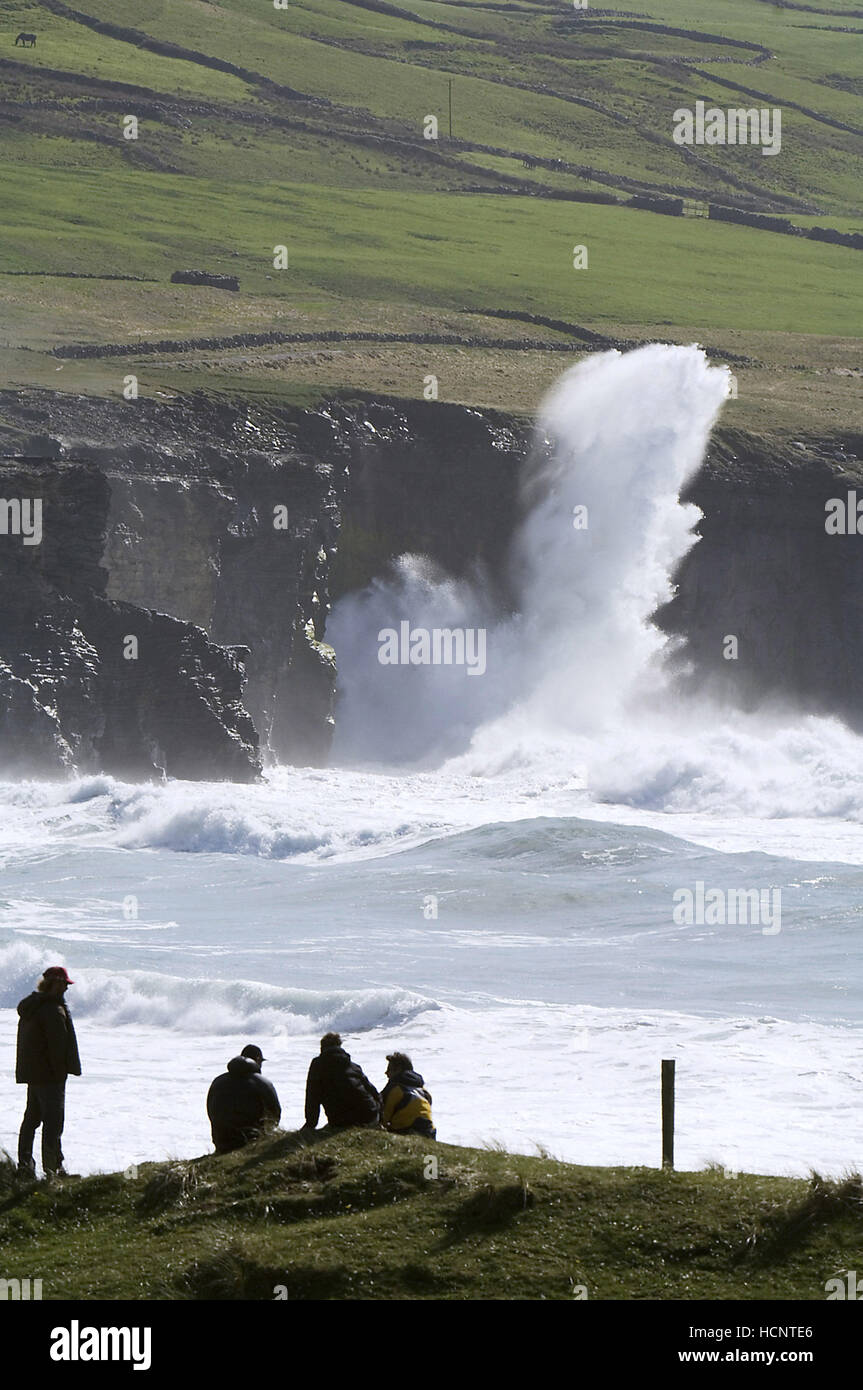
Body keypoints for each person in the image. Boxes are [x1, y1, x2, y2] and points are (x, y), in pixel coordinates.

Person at [16, 965, 82, 1180]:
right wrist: (61, 1072)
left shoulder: (33, 1006)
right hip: (50, 1076)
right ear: (55, 983)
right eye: (64, 984)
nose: (66, 989)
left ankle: (25, 1166)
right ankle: (53, 1170)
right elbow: (57, 1047)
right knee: (53, 1123)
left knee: (31, 1120)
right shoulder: (53, 1010)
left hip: (34, 1074)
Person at [206, 1044, 281, 1154]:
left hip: (222, 1142)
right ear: (258, 1060)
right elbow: (275, 1114)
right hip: (252, 1143)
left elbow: (210, 1109)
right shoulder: (263, 1083)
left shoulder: (218, 1081)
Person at [303, 1033, 380, 1130]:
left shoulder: (318, 1065)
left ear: (322, 1048)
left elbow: (312, 1096)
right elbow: (374, 1092)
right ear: (339, 1046)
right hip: (369, 1115)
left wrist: (310, 1124)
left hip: (342, 1120)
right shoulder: (353, 1066)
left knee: (327, 1129)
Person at [381, 1052, 436, 1139]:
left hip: (407, 1132)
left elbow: (383, 1117)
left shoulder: (395, 1089)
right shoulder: (423, 1092)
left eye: (389, 1069)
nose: (386, 1073)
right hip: (429, 1132)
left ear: (398, 1069)